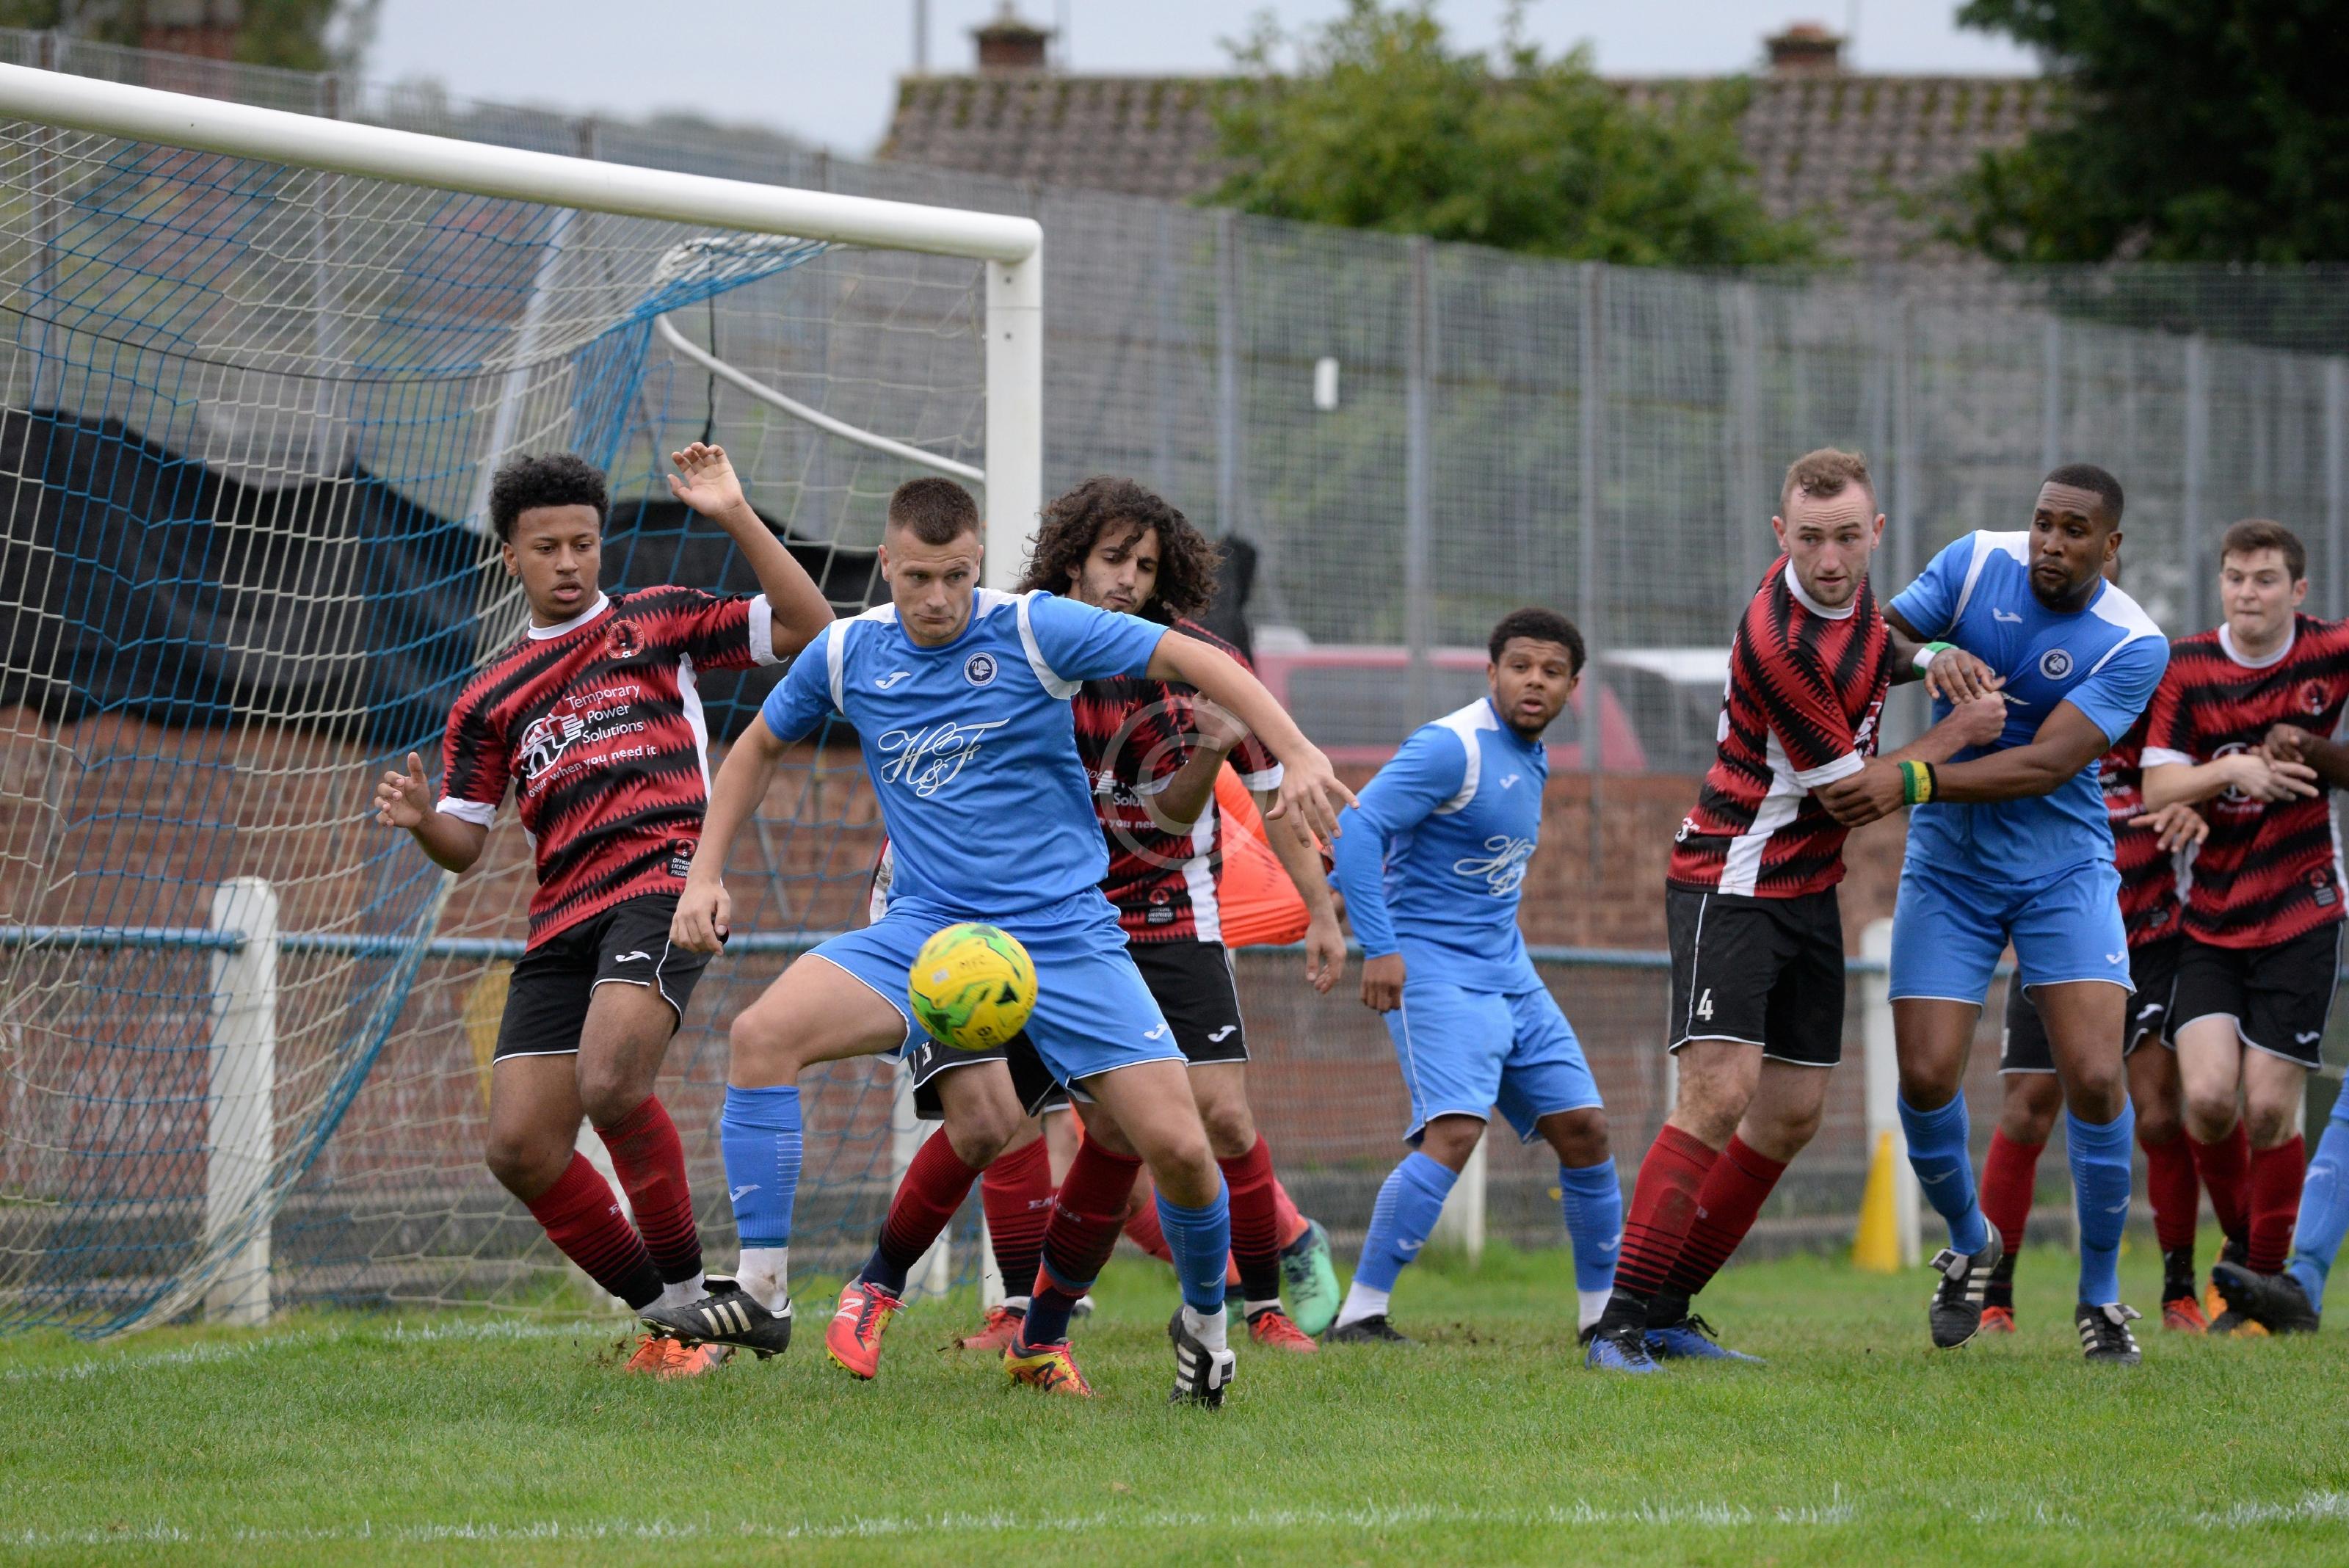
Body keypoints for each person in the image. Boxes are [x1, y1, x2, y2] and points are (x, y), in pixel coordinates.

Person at [642, 476, 1354, 1404]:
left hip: (1067, 939)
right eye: (918, 579)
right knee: (759, 1037)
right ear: (886, 566)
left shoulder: (1031, 628)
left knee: (1179, 1145)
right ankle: (767, 1292)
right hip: (929, 937)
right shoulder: (850, 650)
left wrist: (1295, 749)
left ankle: (1206, 1332)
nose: (938, 599)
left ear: (979, 565)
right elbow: (753, 750)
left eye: (957, 576)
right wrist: (703, 873)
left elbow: (1198, 659)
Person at [836, 478, 1346, 1373]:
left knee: (1200, 1122)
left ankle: (1232, 1301)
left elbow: (1188, 820)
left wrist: (1324, 911)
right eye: (1112, 559)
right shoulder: (1010, 641)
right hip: (1010, 918)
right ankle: (934, 1295)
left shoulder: (1190, 662)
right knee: (994, 1122)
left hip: (1152, 915)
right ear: (1071, 559)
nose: (1126, 580)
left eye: (1145, 567)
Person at [372, 446, 834, 1377]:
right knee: (520, 1146)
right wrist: (426, 822)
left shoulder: (657, 620)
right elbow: (465, 846)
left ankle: (698, 1316)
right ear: (510, 555)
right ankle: (676, 1317)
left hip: (665, 880)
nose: (570, 562)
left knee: (613, 1083)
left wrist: (735, 512)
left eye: (584, 543)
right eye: (547, 548)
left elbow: (809, 625)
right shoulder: (487, 696)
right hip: (559, 918)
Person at [1583, 449, 2005, 1373]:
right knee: (1717, 1095)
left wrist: (1927, 654)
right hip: (1729, 878)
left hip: (1808, 888)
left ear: (1874, 534)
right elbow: (1851, 797)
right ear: (1780, 536)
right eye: (1809, 539)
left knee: (1790, 1115)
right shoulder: (1775, 638)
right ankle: (1613, 1325)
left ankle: (1667, 1313)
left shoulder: (1851, 598)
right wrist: (1953, 740)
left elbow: (1872, 648)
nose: (1828, 559)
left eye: (1847, 538)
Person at [1831, 462, 2168, 1365]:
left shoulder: (2132, 643)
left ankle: (2099, 1299)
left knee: (2095, 1077)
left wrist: (1912, 776)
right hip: (1949, 868)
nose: (2049, 544)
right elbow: (1870, 643)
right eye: (2041, 524)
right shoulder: (1974, 562)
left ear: (2110, 545)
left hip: (2060, 869)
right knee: (1927, 1076)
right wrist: (1931, 655)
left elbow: (2044, 764)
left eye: (2072, 530)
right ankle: (1970, 1243)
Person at [1323, 608, 1621, 1347]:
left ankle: (1602, 1324)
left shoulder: (1532, 755)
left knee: (1585, 1130)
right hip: (1430, 968)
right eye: (1519, 665)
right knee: (1454, 1130)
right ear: (1490, 672)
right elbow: (1359, 830)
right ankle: (1359, 1315)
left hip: (1506, 968)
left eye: (1551, 672)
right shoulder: (1449, 746)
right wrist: (1377, 946)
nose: (1534, 681)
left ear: (1571, 688)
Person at [1978, 549, 2210, 1335]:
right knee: (2026, 1107)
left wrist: (2194, 810)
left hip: (2147, 934)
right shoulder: (2039, 689)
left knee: (2152, 1110)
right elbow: (2017, 769)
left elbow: (2191, 780)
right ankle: (1991, 1297)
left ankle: (2178, 1287)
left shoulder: (2151, 687)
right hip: (2056, 927)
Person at [2141, 518, 2349, 1336]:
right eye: (2233, 578)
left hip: (2302, 911)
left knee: (2266, 1110)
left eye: (2263, 580)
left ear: (2297, 591)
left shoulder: (2329, 652)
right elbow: (2158, 788)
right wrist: (2228, 769)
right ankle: (2246, 1252)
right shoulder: (2187, 666)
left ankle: (2261, 1295)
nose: (2246, 594)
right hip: (2210, 919)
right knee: (2203, 1101)